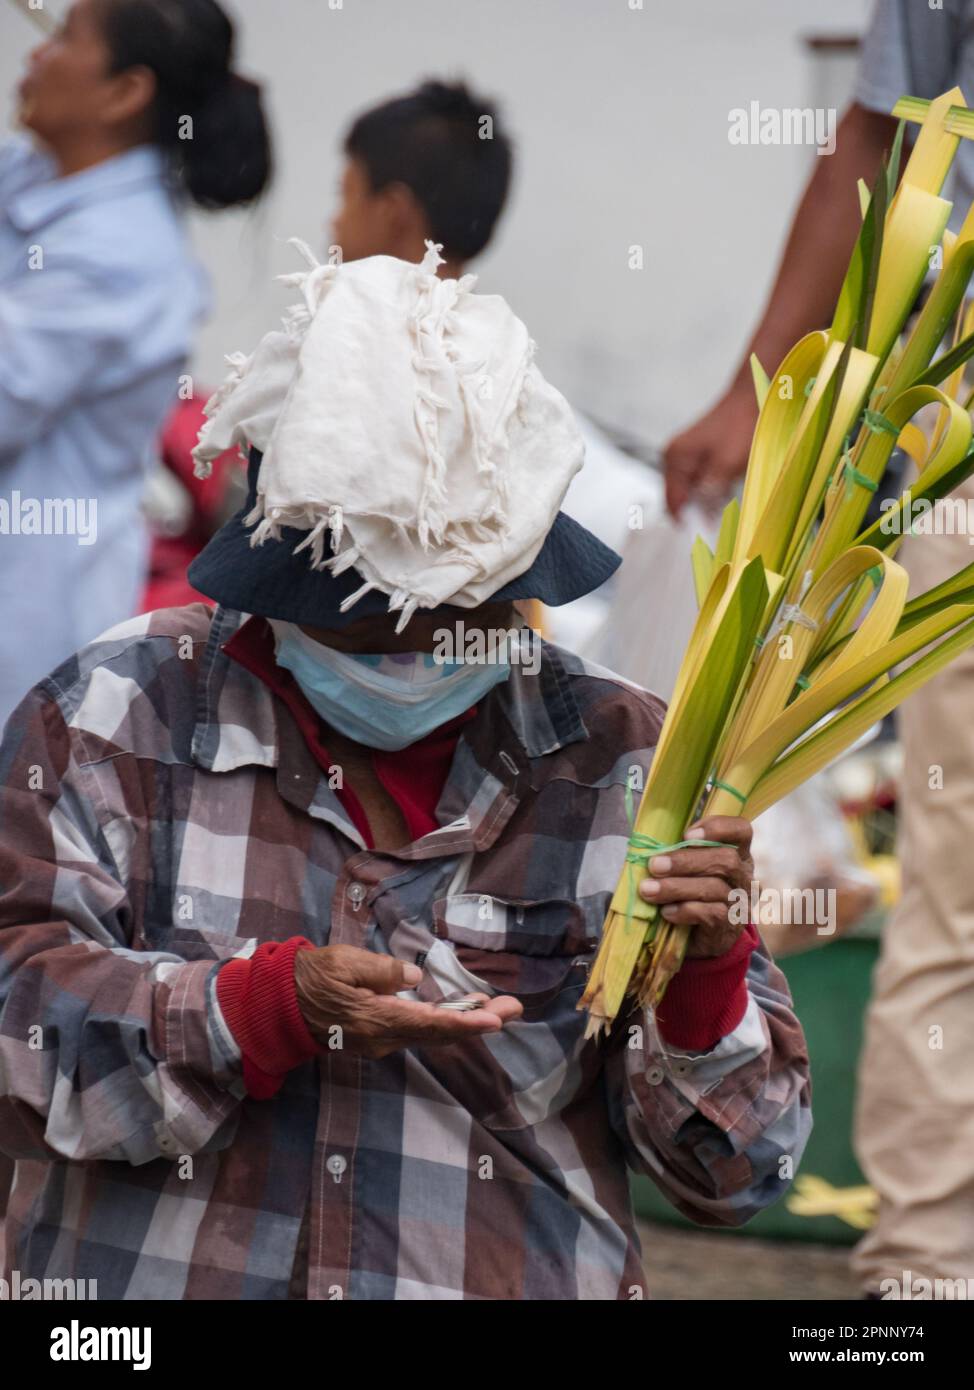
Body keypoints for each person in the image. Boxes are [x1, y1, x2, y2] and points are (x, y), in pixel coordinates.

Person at [0, 245, 810, 1300]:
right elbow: (20, 1025)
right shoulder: (114, 716)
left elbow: (736, 1173)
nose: (414, 648)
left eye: (458, 614)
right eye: (371, 620)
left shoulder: (624, 766)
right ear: (280, 582)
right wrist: (256, 1010)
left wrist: (700, 978)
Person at [662, 0, 974, 1297]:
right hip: (961, 410)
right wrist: (757, 382)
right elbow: (871, 141)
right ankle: (930, 1264)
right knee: (960, 882)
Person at [0, 0, 272, 731]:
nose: (35, 55)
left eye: (64, 39)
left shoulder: (123, 255)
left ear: (126, 92)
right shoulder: (33, 178)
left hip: (24, 604)